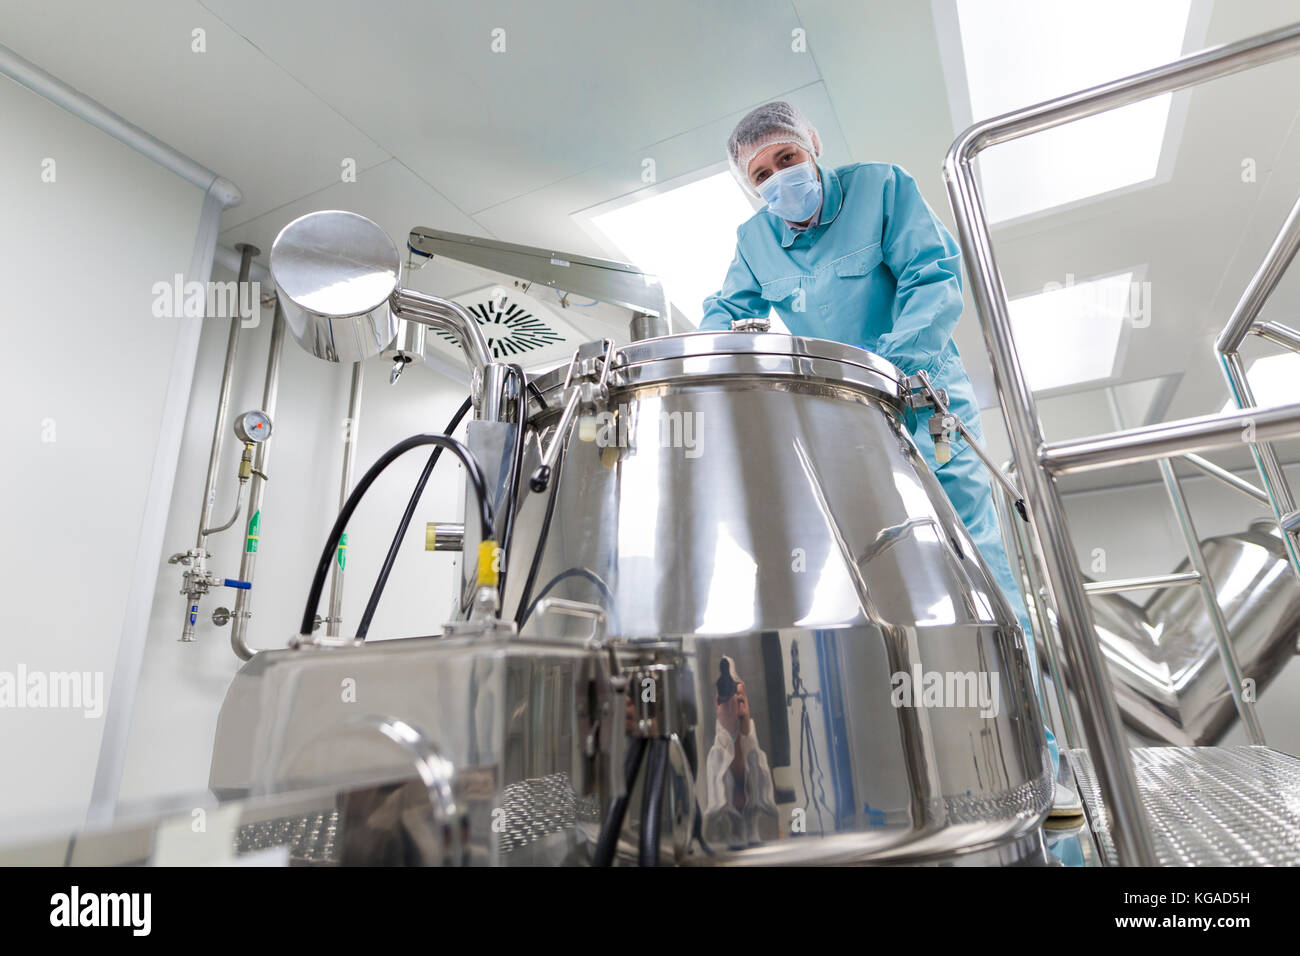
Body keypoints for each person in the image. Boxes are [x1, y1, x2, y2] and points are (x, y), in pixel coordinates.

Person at [700, 101, 1078, 817]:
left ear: (812, 144)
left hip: (922, 405)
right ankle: (922, 766)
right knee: (874, 593)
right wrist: (716, 358)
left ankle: (1038, 761)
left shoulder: (883, 188)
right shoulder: (755, 241)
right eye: (761, 176)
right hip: (841, 428)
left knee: (982, 584)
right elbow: (725, 310)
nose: (779, 181)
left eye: (786, 160)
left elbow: (933, 278)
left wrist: (895, 369)